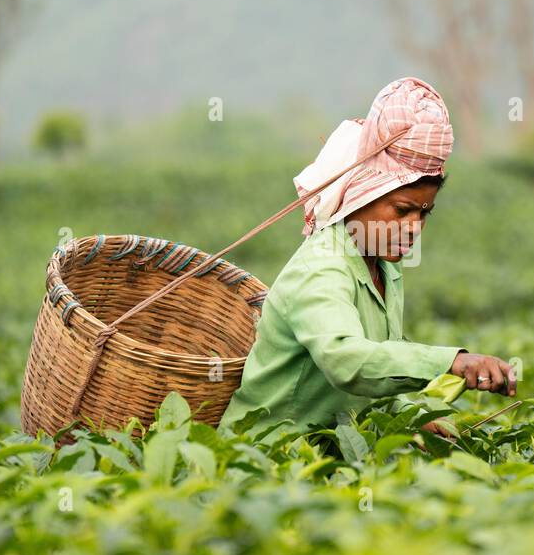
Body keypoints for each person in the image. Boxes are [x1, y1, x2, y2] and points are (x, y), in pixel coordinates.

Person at [218, 76, 517, 439]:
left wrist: (417, 420)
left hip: (333, 452)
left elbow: (376, 372)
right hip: (266, 452)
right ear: (362, 194)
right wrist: (451, 361)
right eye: (403, 210)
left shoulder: (385, 269)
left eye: (424, 213)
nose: (414, 227)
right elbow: (349, 362)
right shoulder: (322, 266)